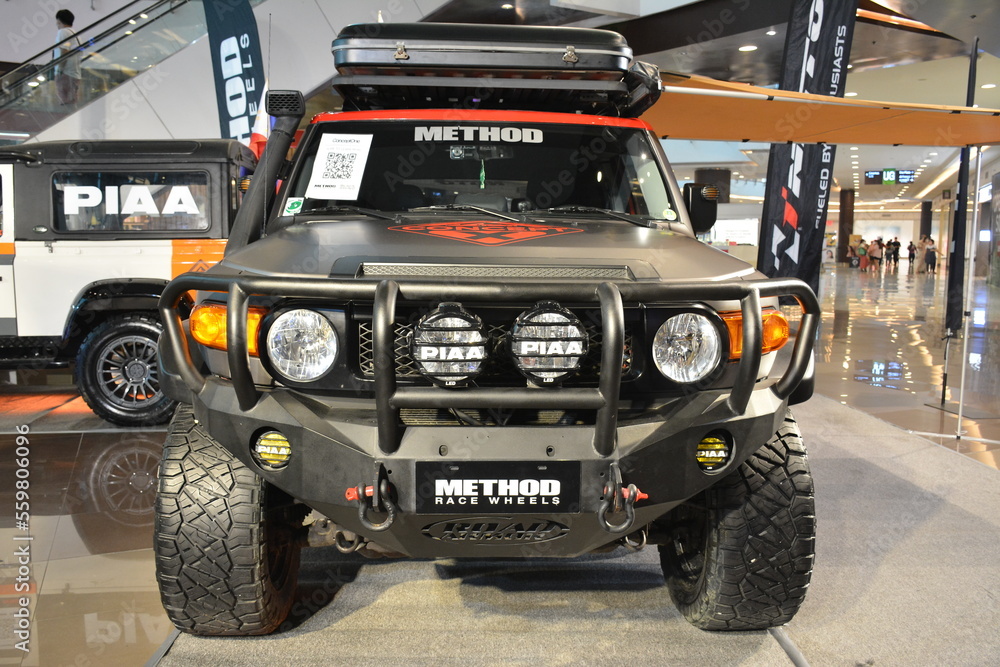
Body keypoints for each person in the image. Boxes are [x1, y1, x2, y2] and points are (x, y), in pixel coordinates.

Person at [54, 9, 81, 105]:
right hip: (75, 73)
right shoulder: (75, 33)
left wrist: (60, 70)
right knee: (72, 102)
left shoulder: (63, 32)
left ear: (59, 20)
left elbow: (64, 51)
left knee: (64, 102)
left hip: (66, 72)